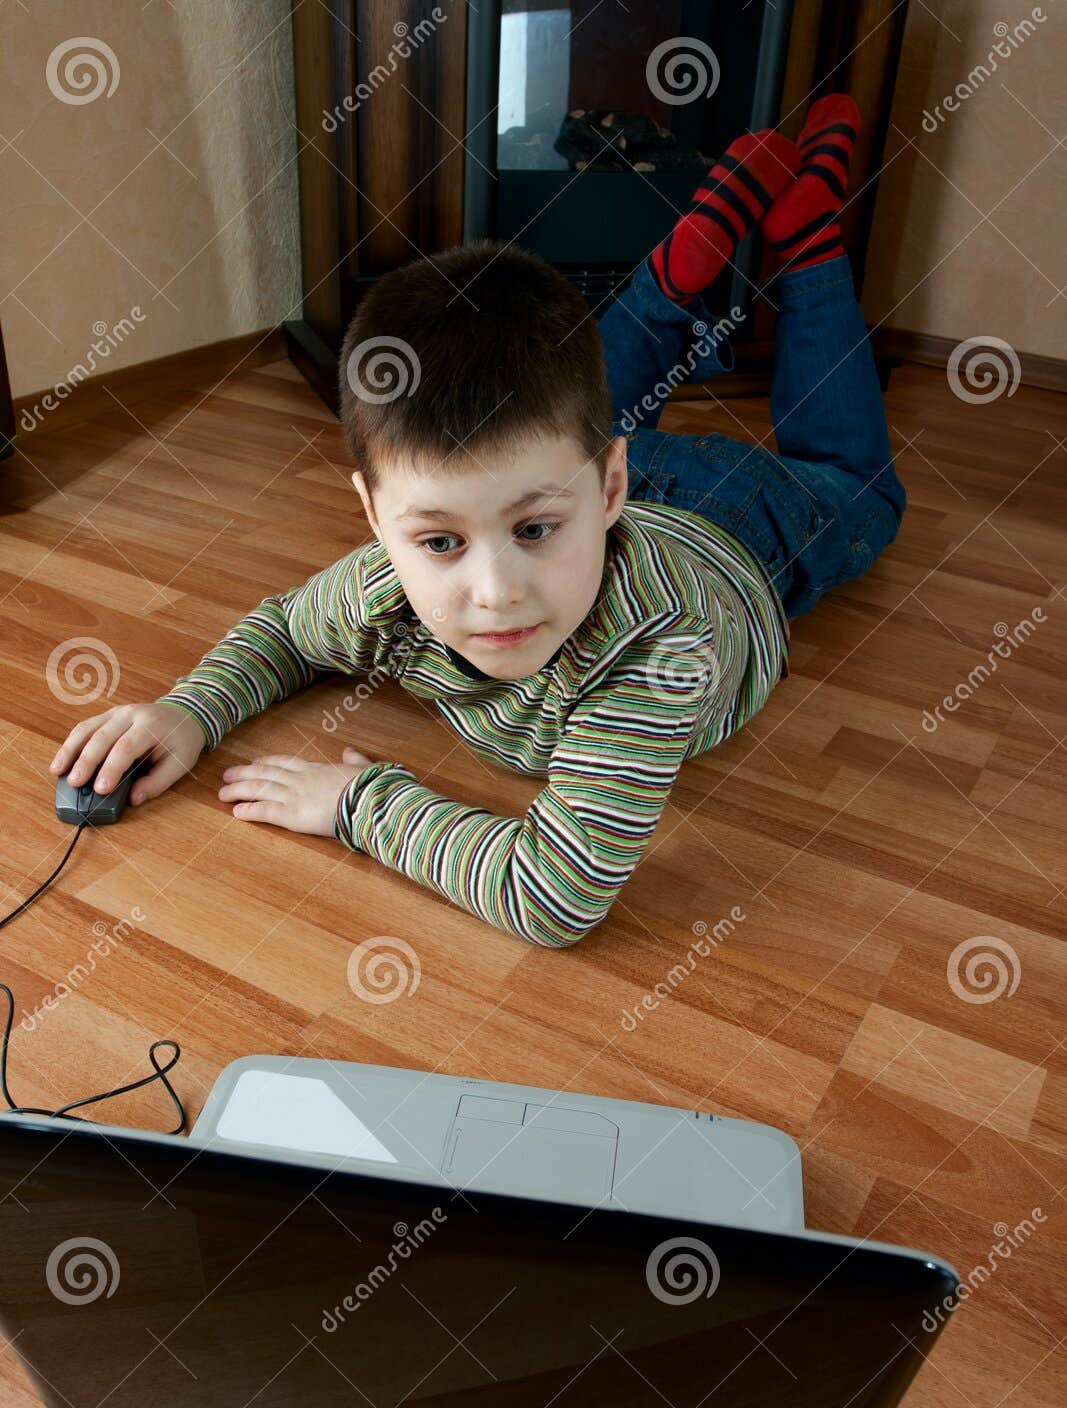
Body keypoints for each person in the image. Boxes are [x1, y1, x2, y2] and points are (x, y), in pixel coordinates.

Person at [49, 95, 904, 950]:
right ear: (373, 517)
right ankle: (672, 281)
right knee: (562, 409)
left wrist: (357, 804)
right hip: (586, 472)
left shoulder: (655, 648)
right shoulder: (386, 584)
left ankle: (807, 243)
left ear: (610, 489)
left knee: (854, 486)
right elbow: (285, 630)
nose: (494, 593)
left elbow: (552, 899)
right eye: (439, 542)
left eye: (530, 534)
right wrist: (189, 711)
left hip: (747, 521)